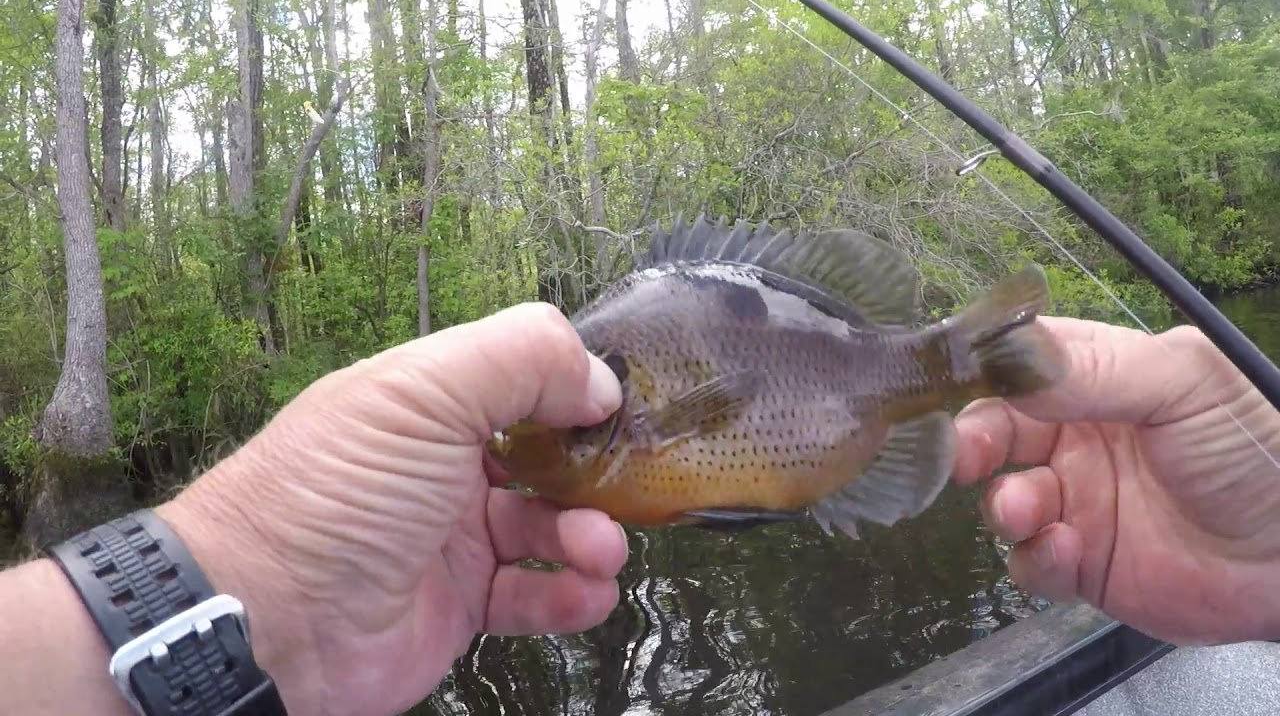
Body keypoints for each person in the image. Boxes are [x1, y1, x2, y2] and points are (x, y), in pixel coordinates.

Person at [0, 302, 1278, 715]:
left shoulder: (618, 426)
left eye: (526, 433)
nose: (507, 452)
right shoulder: (582, 448)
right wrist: (263, 576)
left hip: (860, 406)